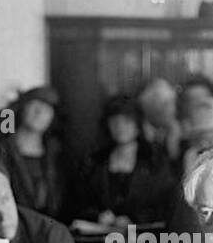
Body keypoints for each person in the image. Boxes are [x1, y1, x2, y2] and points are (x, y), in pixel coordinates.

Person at [75, 94, 175, 228]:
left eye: (127, 122)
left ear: (137, 125)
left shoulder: (155, 160)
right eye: (115, 122)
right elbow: (79, 201)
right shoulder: (95, 160)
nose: (120, 127)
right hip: (100, 237)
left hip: (146, 239)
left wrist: (134, 219)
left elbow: (164, 202)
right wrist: (98, 216)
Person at [0, 85, 69, 220]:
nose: (39, 112)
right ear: (22, 109)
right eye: (35, 105)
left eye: (47, 109)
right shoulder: (2, 148)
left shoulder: (57, 153)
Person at [137, 78, 181, 163]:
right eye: (165, 105)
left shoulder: (179, 129)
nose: (173, 110)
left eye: (172, 104)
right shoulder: (141, 131)